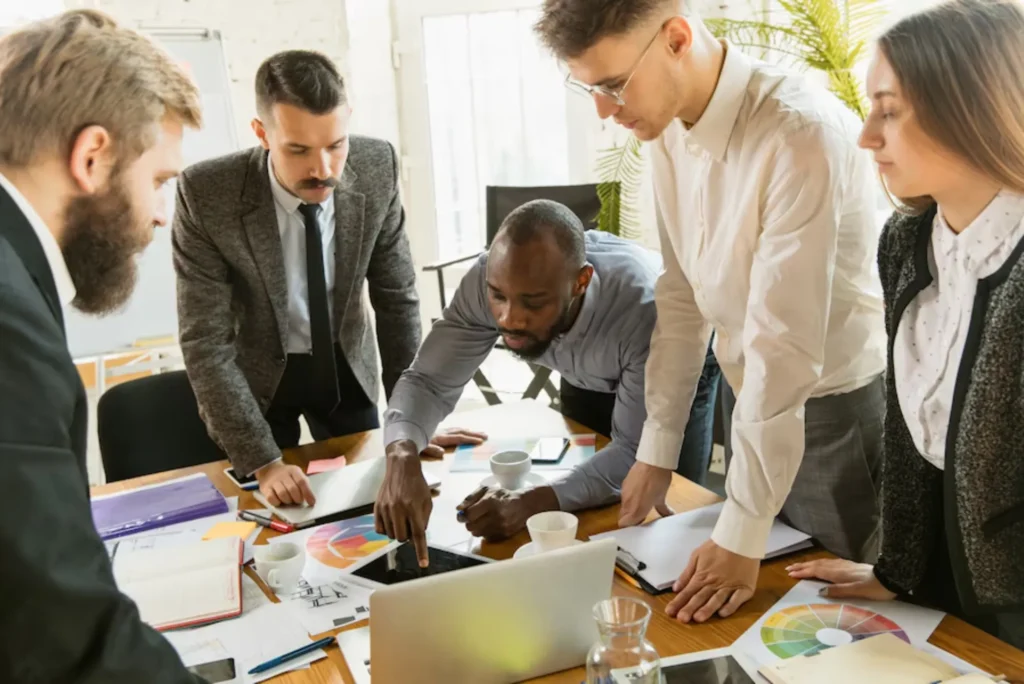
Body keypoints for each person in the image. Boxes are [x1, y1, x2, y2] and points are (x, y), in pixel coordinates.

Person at [535, 0, 887, 624]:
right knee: (749, 618)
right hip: (747, 402)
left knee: (839, 631)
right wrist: (657, 447)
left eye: (614, 85)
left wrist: (742, 530)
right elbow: (681, 296)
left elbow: (784, 349)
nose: (604, 111)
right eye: (589, 88)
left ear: (675, 38)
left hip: (831, 415)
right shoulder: (667, 127)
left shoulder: (800, 134)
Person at [789, 0, 1024, 651]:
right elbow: (910, 429)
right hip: (938, 593)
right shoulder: (908, 239)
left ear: (970, 107)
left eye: (889, 111)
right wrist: (897, 574)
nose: (867, 135)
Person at [0, 10, 205, 682]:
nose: (160, 214)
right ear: (92, 157)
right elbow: (67, 641)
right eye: (159, 181)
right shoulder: (8, 318)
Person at [375, 199, 720, 565]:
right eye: (498, 297)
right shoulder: (485, 281)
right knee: (580, 521)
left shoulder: (646, 312)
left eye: (533, 303)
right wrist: (401, 454)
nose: (510, 320)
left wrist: (531, 502)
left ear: (580, 283)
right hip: (583, 369)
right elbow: (428, 380)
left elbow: (637, 454)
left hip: (673, 368)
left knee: (664, 519)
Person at [174, 50, 426, 507]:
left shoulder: (376, 167)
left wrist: (413, 421)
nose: (324, 169)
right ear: (261, 134)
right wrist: (264, 462)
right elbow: (204, 340)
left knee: (370, 503)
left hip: (345, 363)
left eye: (335, 144)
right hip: (256, 378)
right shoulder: (207, 193)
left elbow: (397, 301)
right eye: (299, 149)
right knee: (273, 512)